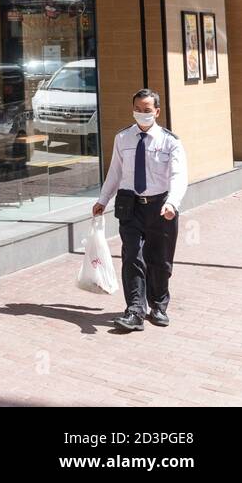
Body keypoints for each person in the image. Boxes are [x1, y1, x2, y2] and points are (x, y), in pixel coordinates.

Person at [93, 88, 186, 332]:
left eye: (147, 110)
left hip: (161, 207)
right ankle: (134, 310)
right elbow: (115, 172)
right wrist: (103, 199)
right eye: (138, 109)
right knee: (133, 257)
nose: (142, 114)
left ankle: (158, 306)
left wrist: (172, 203)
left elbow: (179, 176)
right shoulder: (123, 138)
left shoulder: (170, 141)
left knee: (160, 260)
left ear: (157, 111)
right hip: (130, 206)